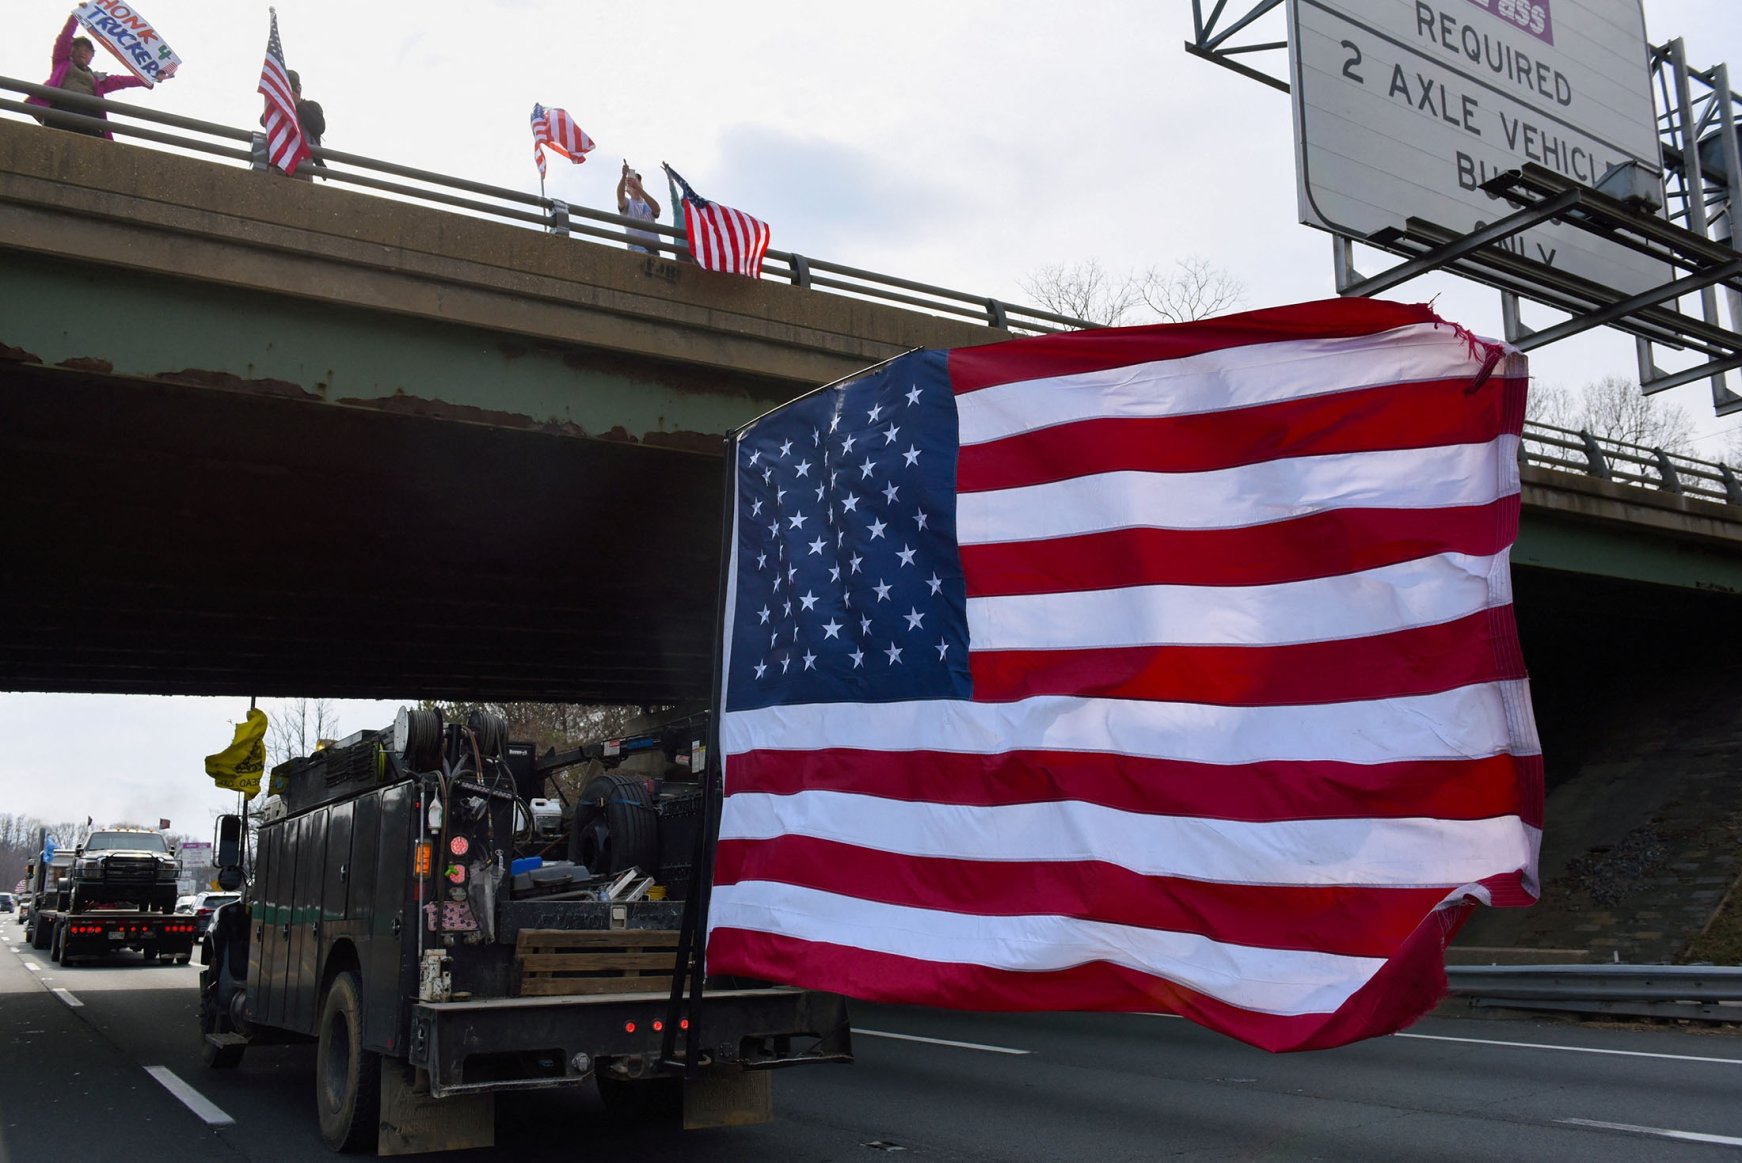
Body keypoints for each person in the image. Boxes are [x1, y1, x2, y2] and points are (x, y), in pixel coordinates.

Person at [26, 14, 147, 139]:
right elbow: (64, 39)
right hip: (62, 109)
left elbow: (120, 81)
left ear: (91, 56)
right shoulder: (63, 63)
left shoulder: (97, 79)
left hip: (88, 115)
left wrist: (146, 79)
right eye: (77, 48)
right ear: (71, 50)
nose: (82, 52)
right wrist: (75, 17)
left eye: (87, 50)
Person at [617, 163, 662, 255]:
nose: (635, 182)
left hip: (654, 249)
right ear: (627, 189)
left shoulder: (648, 202)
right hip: (636, 248)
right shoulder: (628, 203)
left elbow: (657, 209)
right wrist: (624, 176)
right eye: (631, 182)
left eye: (638, 181)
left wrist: (637, 187)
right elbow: (620, 197)